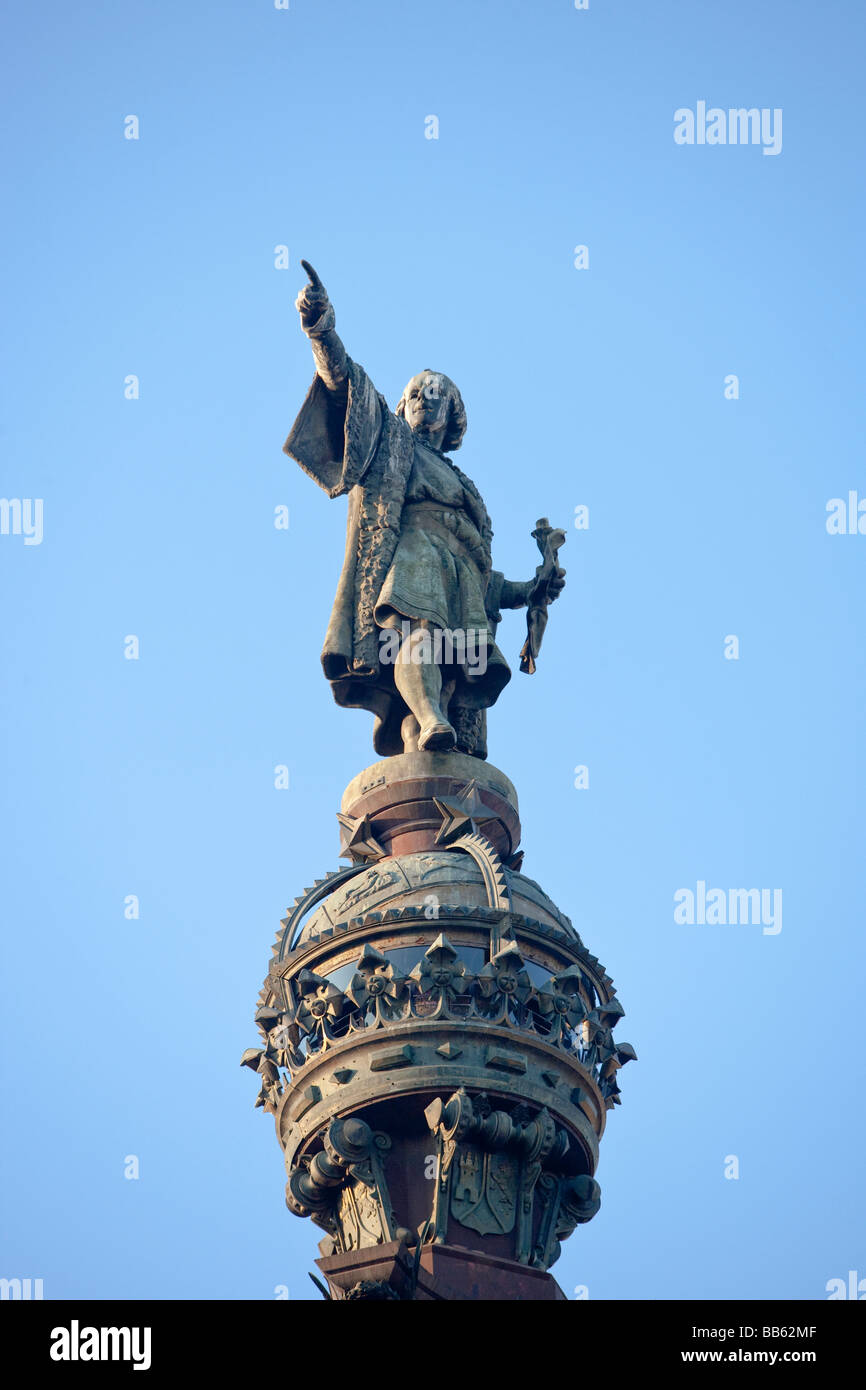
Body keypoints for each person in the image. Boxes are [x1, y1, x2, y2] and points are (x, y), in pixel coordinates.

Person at [284, 261, 564, 760]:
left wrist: (531, 588)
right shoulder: (388, 443)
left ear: (452, 414)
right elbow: (345, 384)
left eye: (437, 394)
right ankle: (430, 717)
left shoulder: (467, 488)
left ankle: (427, 727)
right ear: (403, 405)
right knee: (417, 637)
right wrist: (321, 329)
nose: (423, 400)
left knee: (451, 673)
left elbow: (484, 579)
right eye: (415, 392)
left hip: (458, 580)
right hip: (412, 560)